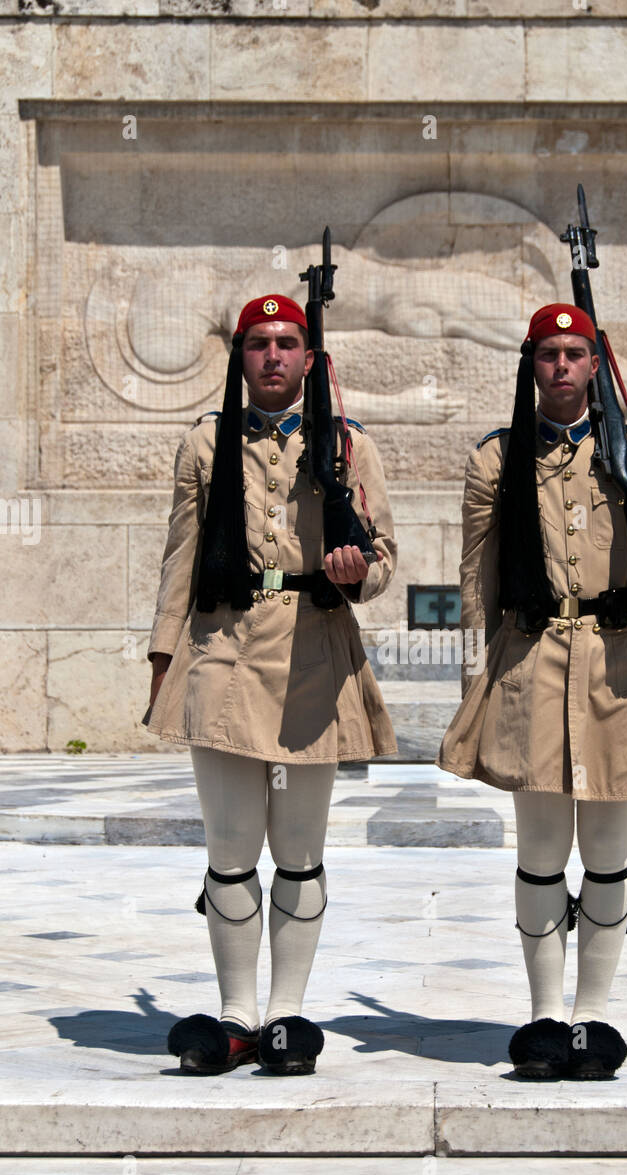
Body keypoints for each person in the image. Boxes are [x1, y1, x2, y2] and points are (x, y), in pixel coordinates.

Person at [437, 303, 627, 1080]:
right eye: (547, 354)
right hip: (530, 663)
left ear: (595, 365)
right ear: (530, 364)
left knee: (609, 854)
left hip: (620, 665)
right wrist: (475, 680)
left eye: (574, 353)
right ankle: (545, 1015)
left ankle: (594, 1013)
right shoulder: (496, 459)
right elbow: (475, 580)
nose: (560, 366)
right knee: (541, 852)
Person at [143, 293, 397, 1076]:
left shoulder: (348, 446)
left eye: (289, 343)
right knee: (228, 847)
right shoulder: (205, 443)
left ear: (309, 358)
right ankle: (236, 1012)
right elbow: (180, 557)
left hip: (310, 653)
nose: (275, 356)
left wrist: (358, 575)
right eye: (259, 344)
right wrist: (161, 663)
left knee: (297, 849)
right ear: (240, 356)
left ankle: (287, 1012)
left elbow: (384, 556)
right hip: (222, 651)